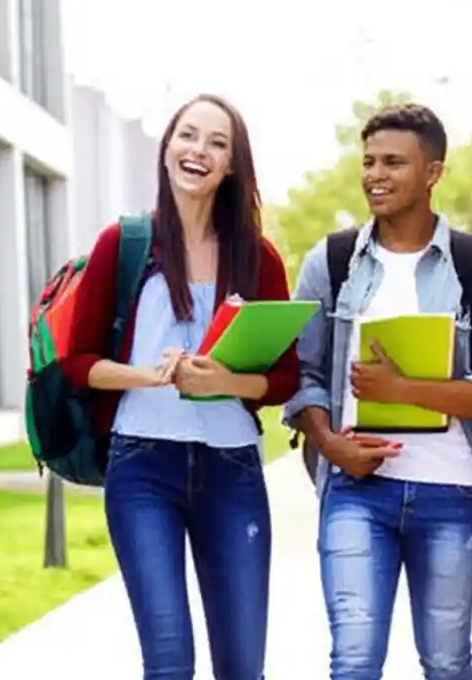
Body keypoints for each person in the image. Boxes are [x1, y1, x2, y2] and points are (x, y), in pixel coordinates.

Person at [60, 94, 299, 679]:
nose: (199, 151)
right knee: (168, 662)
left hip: (232, 469)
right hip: (142, 466)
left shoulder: (259, 258)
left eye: (218, 143)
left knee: (242, 667)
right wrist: (151, 375)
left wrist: (223, 380)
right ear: (167, 149)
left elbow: (286, 377)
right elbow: (77, 361)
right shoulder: (126, 243)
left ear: (233, 166)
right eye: (188, 136)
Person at [285, 103, 472, 680]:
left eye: (394, 162)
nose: (376, 174)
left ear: (433, 172)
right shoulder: (333, 261)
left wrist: (406, 389)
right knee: (353, 661)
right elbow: (301, 372)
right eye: (369, 161)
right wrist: (329, 442)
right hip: (356, 492)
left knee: (446, 662)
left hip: (453, 492)